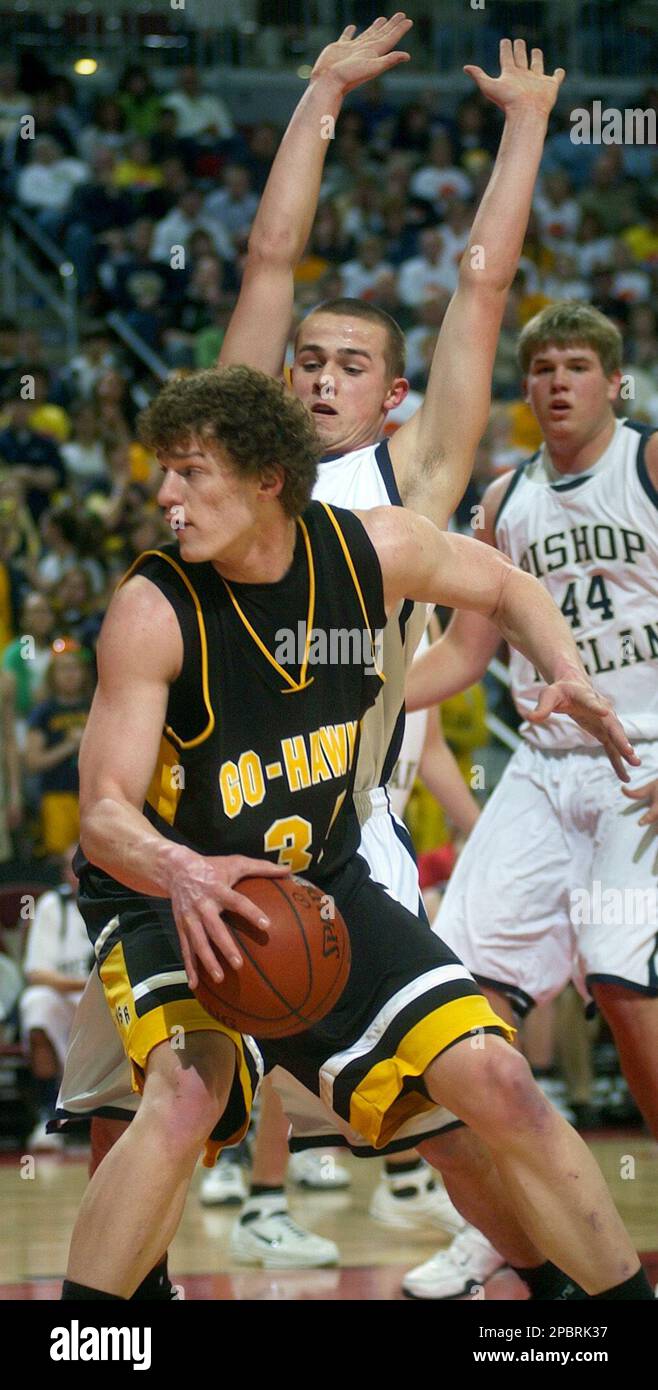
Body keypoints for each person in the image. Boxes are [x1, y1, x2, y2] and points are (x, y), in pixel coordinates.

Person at [56, 20, 588, 1288]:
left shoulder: (411, 481)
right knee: (134, 1104)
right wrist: (319, 98)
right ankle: (123, 1307)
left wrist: (522, 128)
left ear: (392, 395)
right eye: (307, 358)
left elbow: (480, 291)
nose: (320, 376)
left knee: (450, 1111)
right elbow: (270, 255)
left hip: (345, 830)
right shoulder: (229, 466)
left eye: (352, 363)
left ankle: (540, 1284)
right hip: (179, 828)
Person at [60, 364, 650, 1302]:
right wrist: (183, 870)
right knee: (183, 1100)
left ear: (268, 480)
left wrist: (568, 666)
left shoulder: (370, 549)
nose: (165, 496)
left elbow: (502, 587)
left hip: (320, 879)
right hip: (170, 890)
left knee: (497, 1080)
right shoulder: (153, 608)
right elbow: (102, 815)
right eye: (162, 472)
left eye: (190, 473)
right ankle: (85, 1337)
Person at [402, 299, 658, 1297]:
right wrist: (359, 693)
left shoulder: (645, 466)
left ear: (611, 381)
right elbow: (467, 653)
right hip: (543, 768)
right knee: (451, 995)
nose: (557, 382)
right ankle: (507, 1230)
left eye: (576, 366)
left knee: (620, 977)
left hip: (641, 762)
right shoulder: (504, 499)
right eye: (542, 367)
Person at [20, 847, 93, 1147]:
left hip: (109, 1000)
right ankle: (49, 1117)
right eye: (72, 867)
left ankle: (121, 1116)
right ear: (65, 873)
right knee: (36, 1003)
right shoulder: (52, 905)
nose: (79, 872)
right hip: (73, 996)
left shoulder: (121, 900)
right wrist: (82, 984)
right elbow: (36, 973)